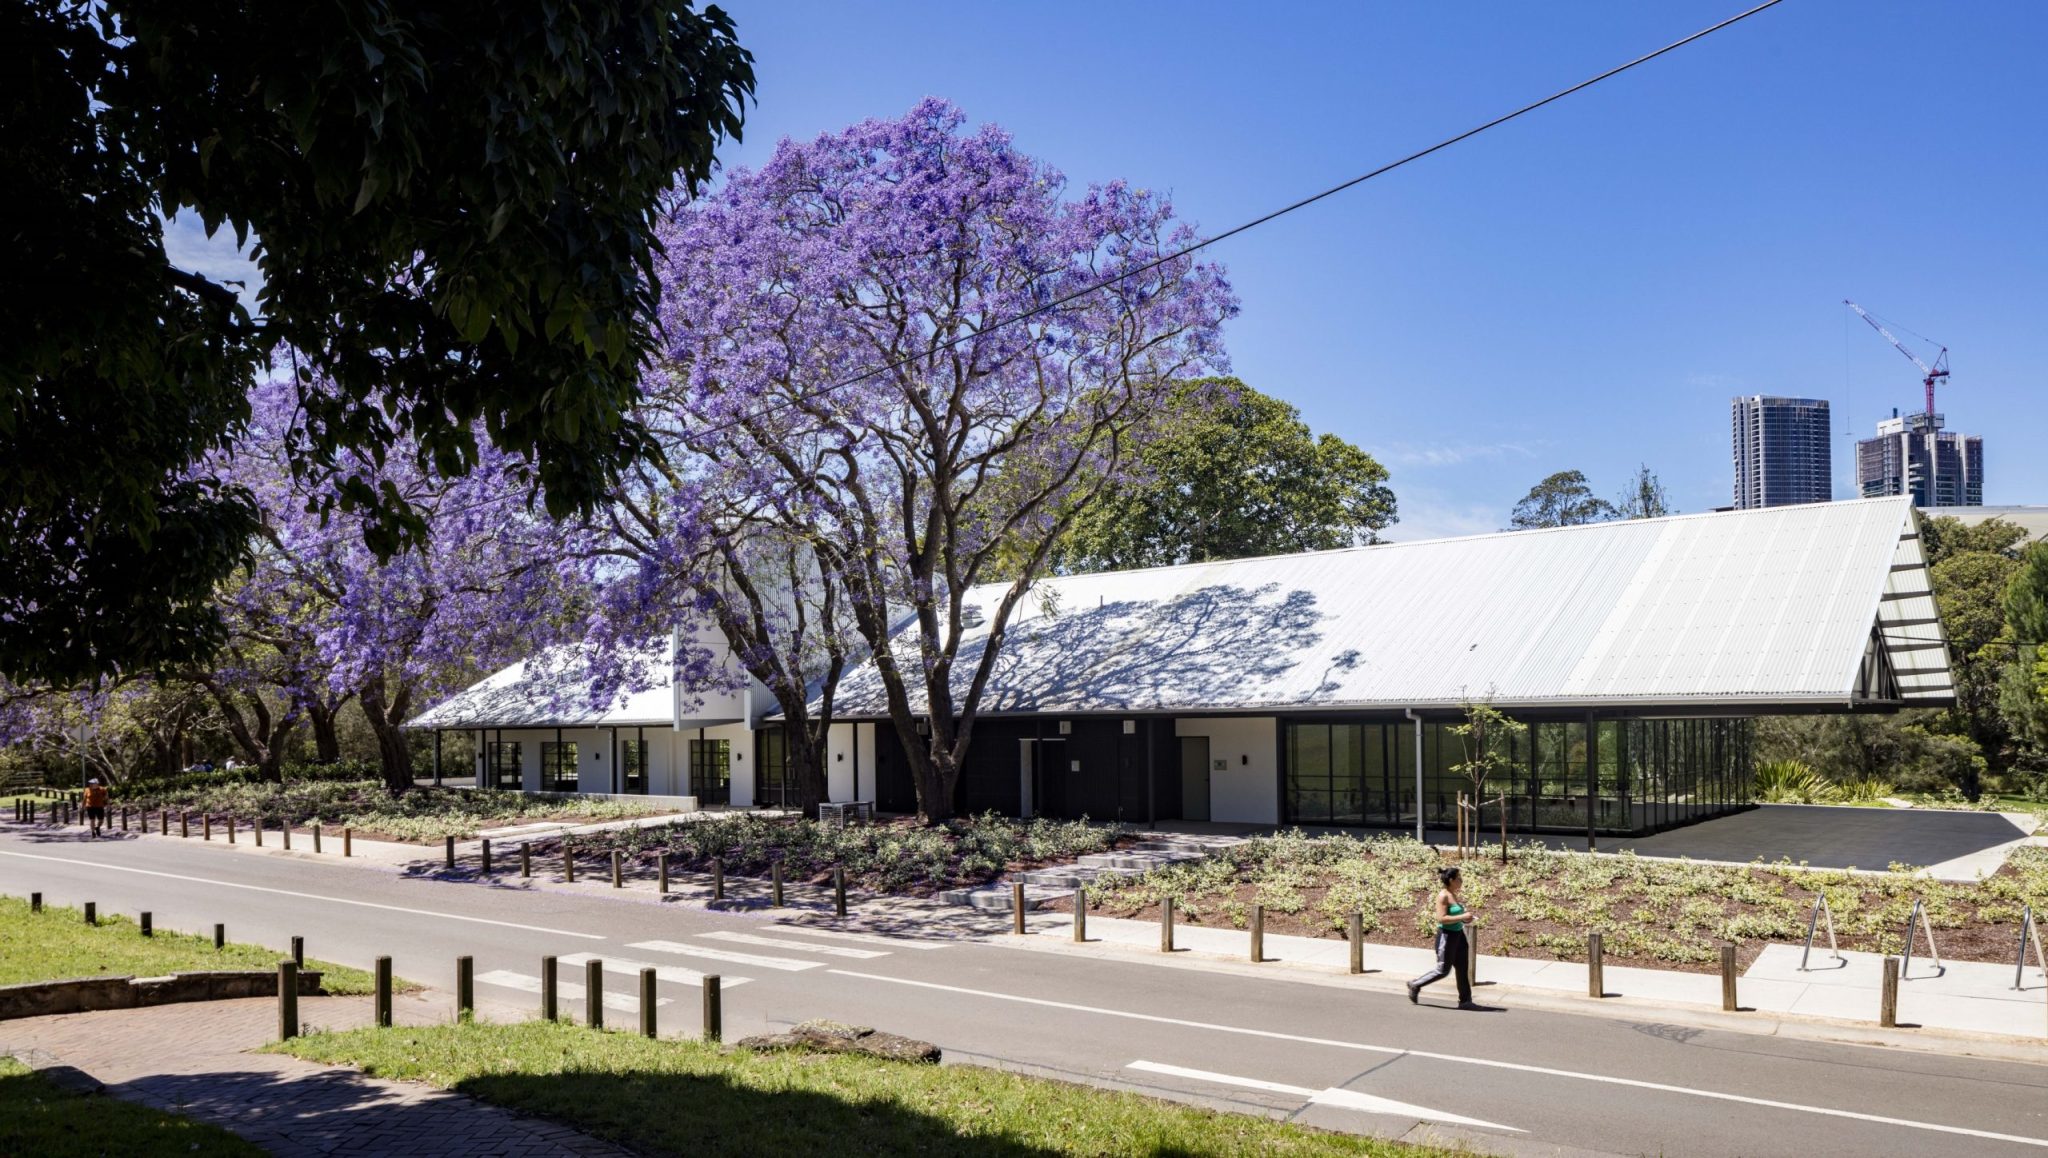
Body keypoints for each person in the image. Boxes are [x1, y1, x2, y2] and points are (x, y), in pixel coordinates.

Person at [1407, 865, 1476, 1008]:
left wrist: (1465, 919)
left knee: (1462, 968)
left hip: (1459, 935)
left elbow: (1454, 915)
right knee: (1443, 970)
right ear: (1451, 880)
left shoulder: (1452, 894)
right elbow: (1441, 918)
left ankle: (1465, 1001)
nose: (1461, 880)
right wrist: (1462, 916)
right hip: (1447, 936)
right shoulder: (1443, 896)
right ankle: (1415, 984)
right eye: (1459, 878)